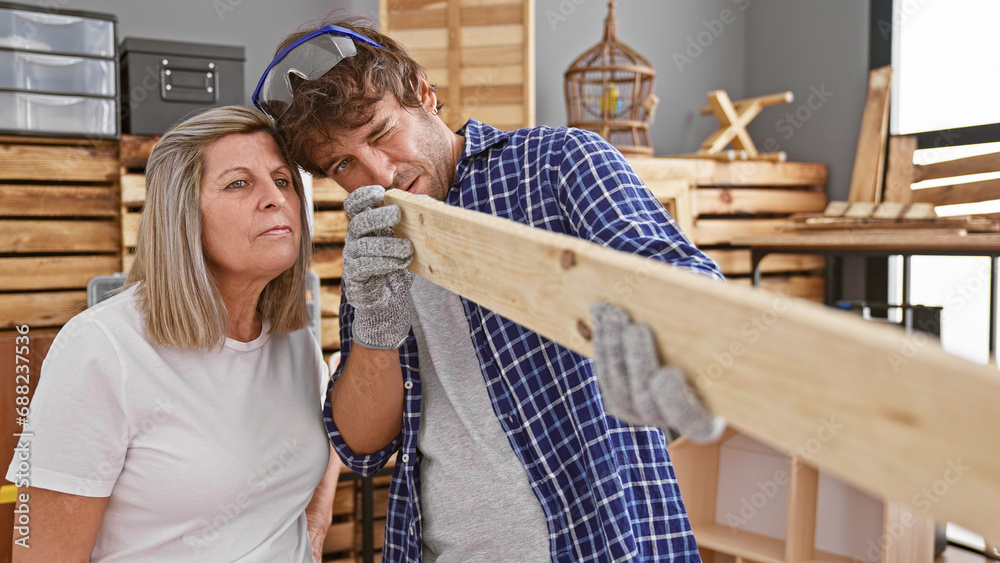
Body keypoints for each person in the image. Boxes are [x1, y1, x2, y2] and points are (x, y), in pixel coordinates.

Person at [255, 19, 726, 562]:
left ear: (424, 93)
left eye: (382, 133)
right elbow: (361, 448)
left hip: (604, 544)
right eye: (344, 164)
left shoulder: (556, 164)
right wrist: (377, 329)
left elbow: (682, 283)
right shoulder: (378, 235)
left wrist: (697, 359)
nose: (379, 173)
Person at [6, 106, 342, 562]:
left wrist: (315, 533)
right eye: (239, 183)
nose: (275, 198)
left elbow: (314, 450)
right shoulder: (101, 348)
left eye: (282, 180)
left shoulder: (295, 338)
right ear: (181, 214)